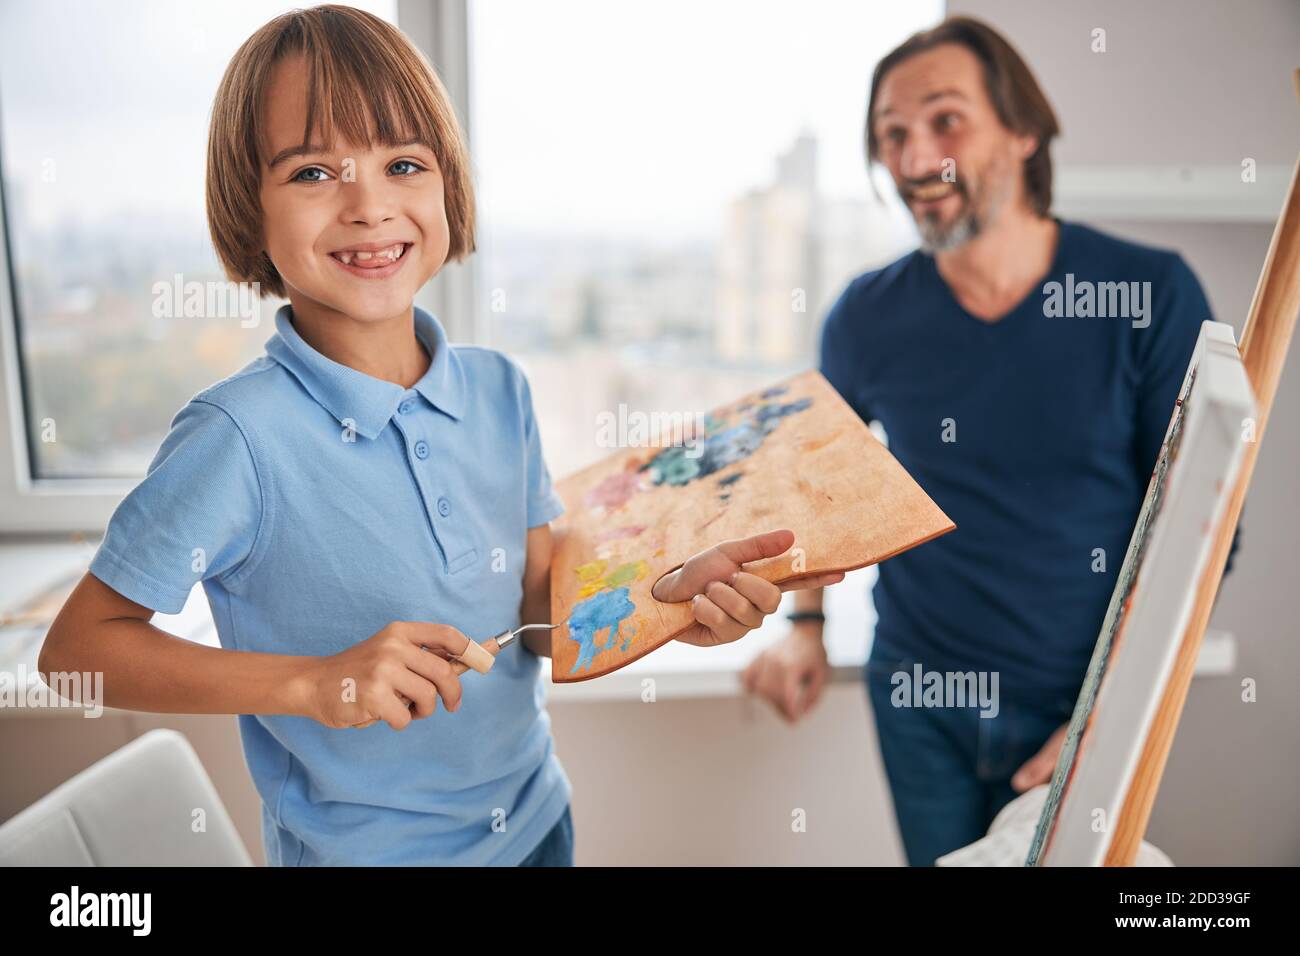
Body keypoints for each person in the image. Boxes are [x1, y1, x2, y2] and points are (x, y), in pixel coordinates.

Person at [40, 5, 842, 867]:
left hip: (536, 825)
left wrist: (670, 608)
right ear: (250, 206)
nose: (369, 206)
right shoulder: (237, 438)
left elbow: (538, 607)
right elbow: (78, 651)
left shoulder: (501, 390)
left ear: (448, 187)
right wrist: (312, 682)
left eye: (404, 164)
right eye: (314, 172)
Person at [742, 16, 1237, 866]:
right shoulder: (866, 316)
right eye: (891, 135)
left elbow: (1202, 536)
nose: (911, 155)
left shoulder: (1148, 291)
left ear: (1023, 130)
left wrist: (1107, 718)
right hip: (919, 699)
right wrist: (807, 624)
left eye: (944, 119)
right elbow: (810, 486)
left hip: (1084, 697)